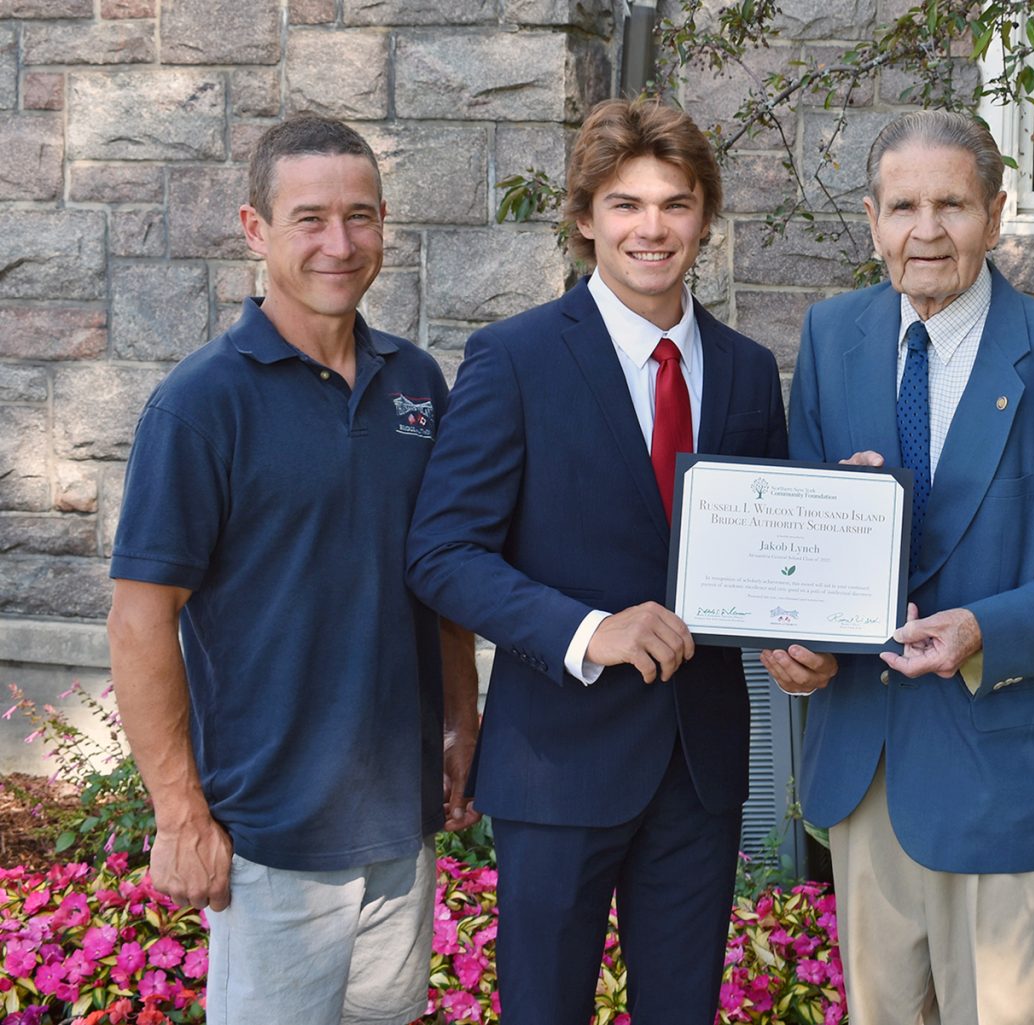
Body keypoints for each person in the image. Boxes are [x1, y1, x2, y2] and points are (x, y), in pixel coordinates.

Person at [404, 97, 831, 1025]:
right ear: (586, 216)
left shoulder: (750, 368)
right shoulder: (514, 359)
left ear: (705, 219)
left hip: (702, 764)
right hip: (558, 762)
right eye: (626, 204)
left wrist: (810, 624)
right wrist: (592, 630)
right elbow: (441, 553)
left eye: (675, 204)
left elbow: (766, 553)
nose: (652, 228)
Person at [105, 115, 482, 1025]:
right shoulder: (201, 405)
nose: (339, 244)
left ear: (385, 224)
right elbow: (140, 616)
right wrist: (179, 814)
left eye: (360, 217)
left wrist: (463, 719)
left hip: (400, 822)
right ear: (254, 228)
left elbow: (444, 573)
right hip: (271, 835)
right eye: (310, 218)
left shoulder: (418, 385)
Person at [787, 109, 1034, 1024]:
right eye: (903, 206)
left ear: (996, 212)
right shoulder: (833, 338)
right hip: (865, 771)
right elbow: (803, 554)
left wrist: (981, 628)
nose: (926, 230)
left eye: (952, 204)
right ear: (872, 220)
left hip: (1002, 783)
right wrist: (801, 644)